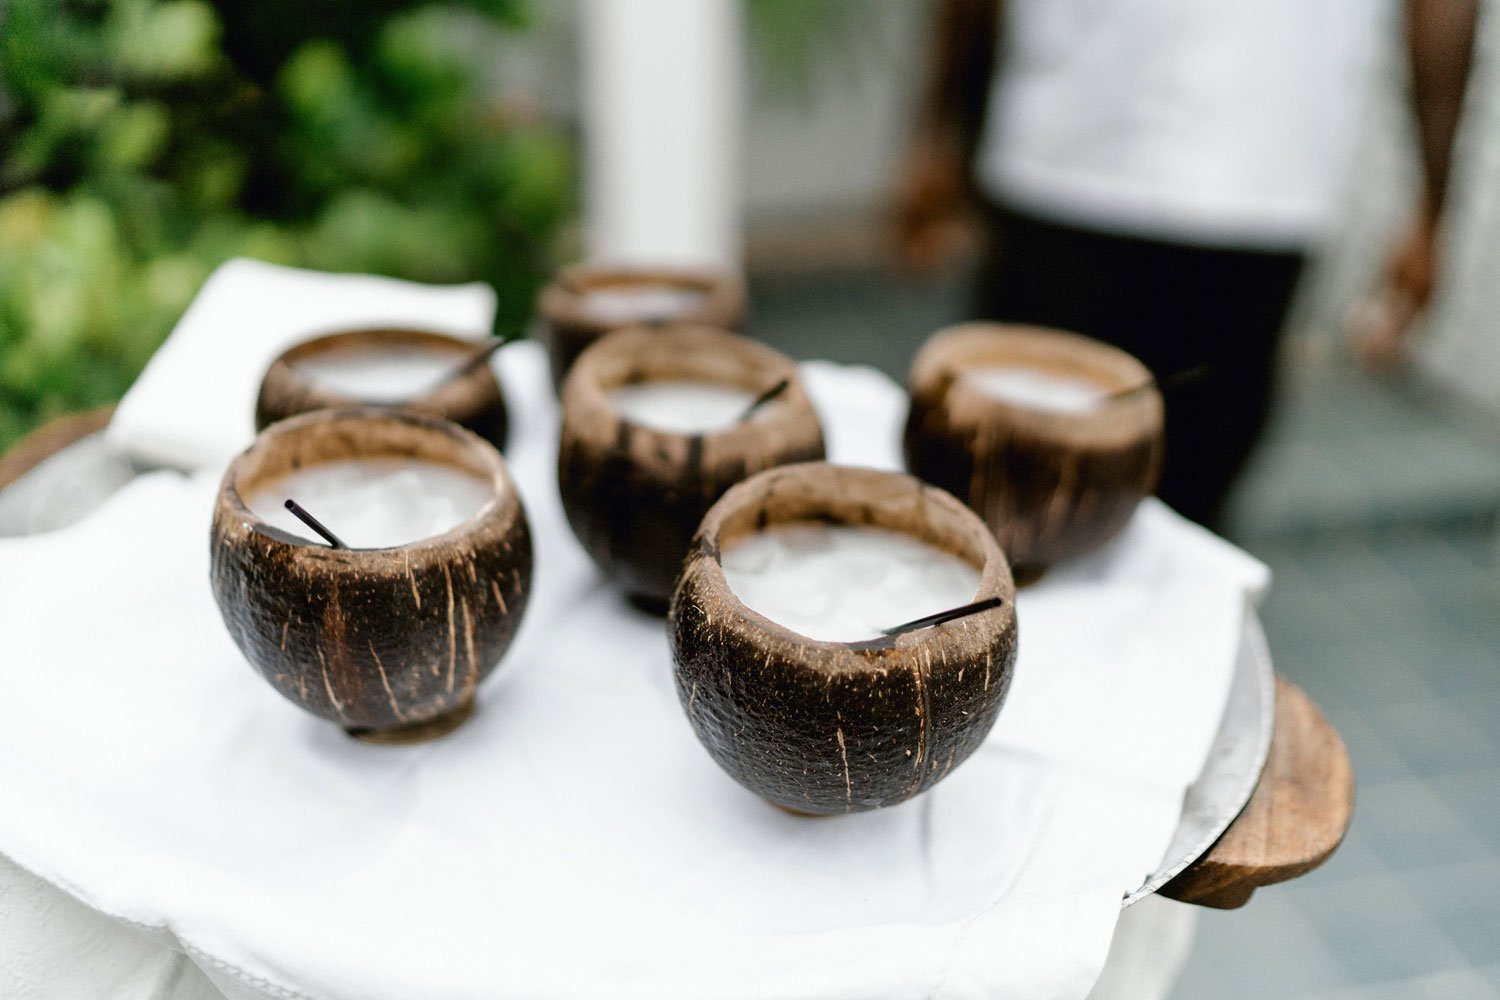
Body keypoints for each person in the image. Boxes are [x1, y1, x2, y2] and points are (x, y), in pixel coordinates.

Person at [896, 0, 1478, 530]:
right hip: (1145, 167)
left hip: (1182, 171)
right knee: (1024, 490)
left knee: (1026, 495)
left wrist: (940, 133)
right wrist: (1431, 207)